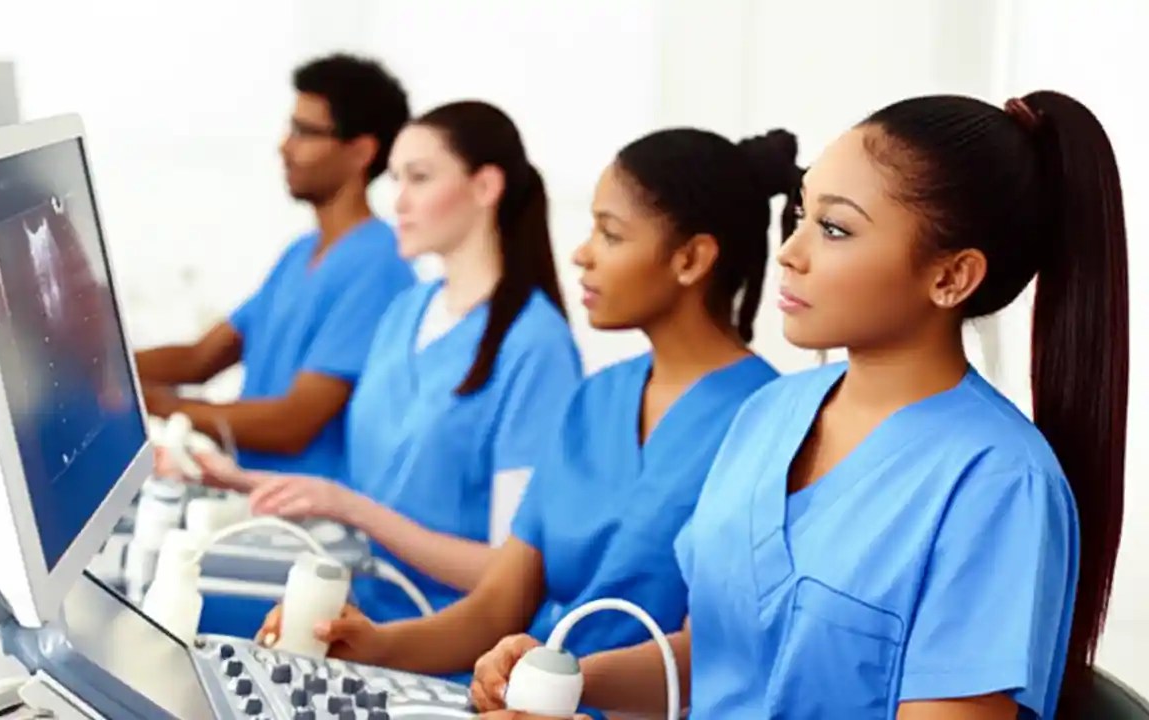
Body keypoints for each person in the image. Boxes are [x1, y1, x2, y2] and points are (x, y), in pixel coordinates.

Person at [475, 92, 1129, 720]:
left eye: (835, 228)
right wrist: (565, 677)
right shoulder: (768, 415)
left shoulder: (998, 485)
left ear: (951, 276)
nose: (789, 254)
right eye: (799, 218)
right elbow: (725, 659)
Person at [247, 126, 795, 692]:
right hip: (525, 693)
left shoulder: (765, 421)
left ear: (690, 259)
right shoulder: (596, 398)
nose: (581, 254)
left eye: (609, 234)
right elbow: (496, 608)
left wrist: (559, 683)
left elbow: (711, 654)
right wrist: (375, 645)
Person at [195, 101, 582, 623]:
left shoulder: (535, 347)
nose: (398, 201)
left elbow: (509, 573)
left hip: (445, 640)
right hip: (357, 609)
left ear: (485, 188)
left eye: (419, 178)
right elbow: (366, 494)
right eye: (396, 179)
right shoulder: (406, 312)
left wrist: (350, 508)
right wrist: (231, 478)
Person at [136, 53, 414, 483]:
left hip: (309, 525)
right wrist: (92, 371)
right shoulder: (301, 254)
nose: (284, 147)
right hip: (250, 499)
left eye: (305, 132)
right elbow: (199, 359)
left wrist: (155, 405)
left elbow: (292, 426)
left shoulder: (379, 266)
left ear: (361, 151)